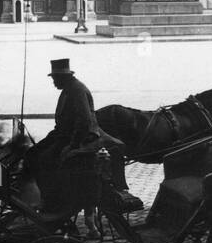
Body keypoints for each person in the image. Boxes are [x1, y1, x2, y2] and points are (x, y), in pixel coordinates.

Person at [36, 58, 142, 213]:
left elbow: (84, 123)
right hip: (66, 136)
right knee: (33, 154)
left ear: (62, 77)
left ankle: (52, 202)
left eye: (54, 78)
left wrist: (72, 146)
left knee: (43, 160)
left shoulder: (76, 90)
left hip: (85, 138)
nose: (53, 82)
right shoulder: (69, 89)